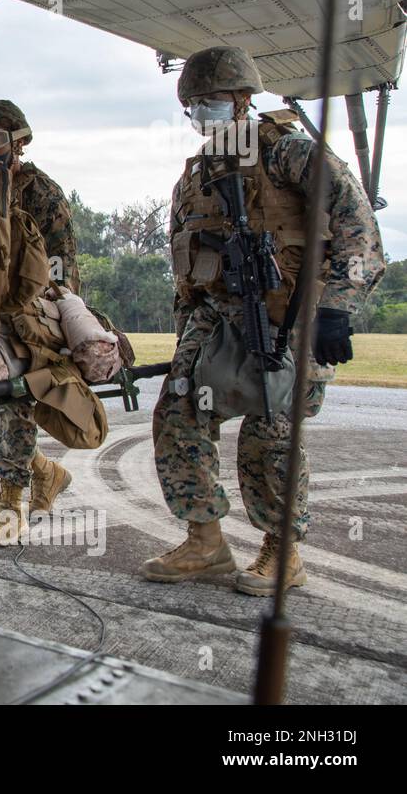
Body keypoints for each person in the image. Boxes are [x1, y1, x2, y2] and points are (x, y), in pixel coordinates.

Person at [143, 45, 385, 594]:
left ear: (243, 99)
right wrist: (187, 331)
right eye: (193, 106)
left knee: (271, 434)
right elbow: (185, 257)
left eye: (210, 101)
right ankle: (206, 543)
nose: (202, 114)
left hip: (288, 316)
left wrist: (336, 310)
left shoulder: (290, 153)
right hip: (216, 319)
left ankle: (282, 553)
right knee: (179, 417)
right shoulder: (196, 173)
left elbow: (356, 224)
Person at [0, 99, 80, 546]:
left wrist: (40, 324)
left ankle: (9, 504)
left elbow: (61, 272)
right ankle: (45, 471)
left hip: (33, 315)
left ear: (19, 144)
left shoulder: (41, 194)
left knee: (11, 395)